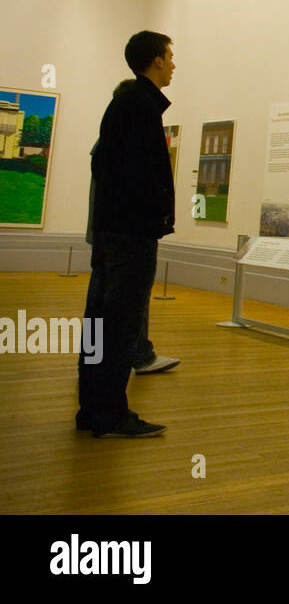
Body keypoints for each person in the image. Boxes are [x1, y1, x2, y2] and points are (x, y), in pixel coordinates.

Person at [75, 32, 177, 438]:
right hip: (130, 235)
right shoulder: (139, 106)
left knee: (101, 323)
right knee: (119, 323)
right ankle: (110, 414)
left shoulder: (127, 103)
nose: (173, 64)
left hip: (114, 232)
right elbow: (137, 174)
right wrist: (153, 214)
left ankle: (94, 410)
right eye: (170, 57)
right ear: (154, 61)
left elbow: (107, 165)